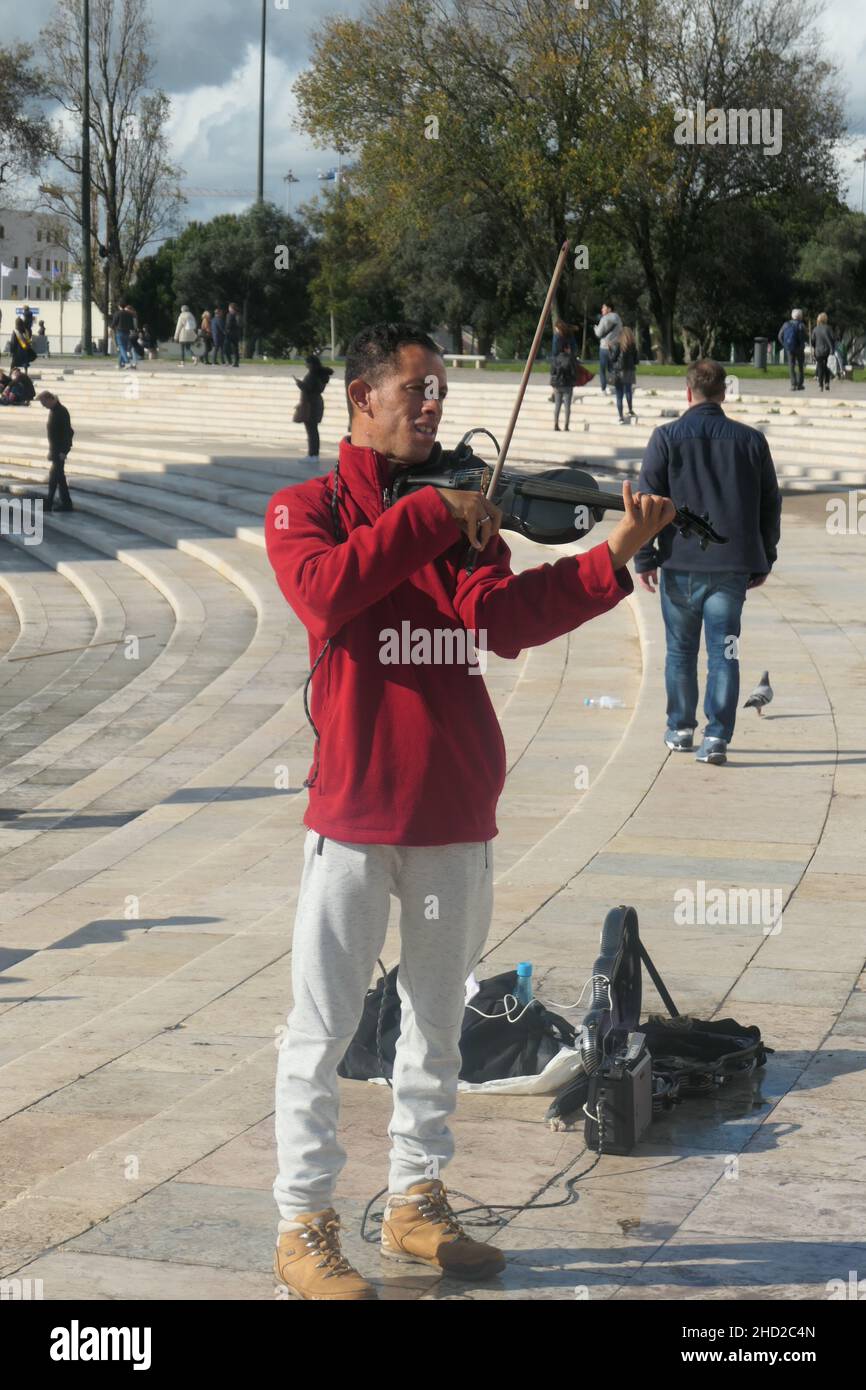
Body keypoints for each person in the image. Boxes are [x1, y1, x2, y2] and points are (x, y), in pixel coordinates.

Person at [263, 320, 676, 1301]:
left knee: (435, 1019)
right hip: (355, 811)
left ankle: (414, 1202)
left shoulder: (460, 517)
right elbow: (328, 594)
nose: (434, 405)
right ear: (362, 397)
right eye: (416, 388)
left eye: (442, 390)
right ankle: (302, 1222)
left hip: (453, 805)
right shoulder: (303, 510)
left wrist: (613, 554)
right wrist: (435, 518)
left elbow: (503, 626)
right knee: (319, 1028)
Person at [633, 359, 782, 766]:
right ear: (724, 392)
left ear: (688, 392)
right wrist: (765, 557)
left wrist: (644, 556)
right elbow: (770, 503)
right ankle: (716, 737)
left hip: (679, 566)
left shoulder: (665, 437)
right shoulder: (752, 441)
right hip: (731, 567)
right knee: (725, 652)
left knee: (680, 652)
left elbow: (647, 503)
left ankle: (681, 728)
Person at [38, 390, 75, 512]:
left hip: (60, 452)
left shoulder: (62, 411)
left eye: (44, 403)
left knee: (55, 478)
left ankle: (50, 503)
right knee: (59, 478)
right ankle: (65, 503)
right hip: (56, 451)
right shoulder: (53, 411)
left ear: (50, 399)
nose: (44, 406)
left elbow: (68, 433)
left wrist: (64, 451)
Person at [293, 354, 333, 460]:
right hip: (315, 403)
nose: (306, 365)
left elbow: (309, 388)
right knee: (313, 430)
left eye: (307, 362)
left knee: (312, 431)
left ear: (311, 364)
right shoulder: (320, 375)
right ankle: (313, 454)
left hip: (311, 404)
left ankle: (313, 455)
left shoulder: (313, 375)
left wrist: (299, 383)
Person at [607, 326, 638, 422]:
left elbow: (612, 358)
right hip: (629, 371)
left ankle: (620, 416)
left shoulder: (617, 345)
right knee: (628, 391)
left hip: (618, 372)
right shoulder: (633, 346)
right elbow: (636, 361)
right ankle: (630, 410)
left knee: (619, 395)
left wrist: (609, 349)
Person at [593, 301, 622, 393]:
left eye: (603, 307)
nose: (602, 309)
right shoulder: (618, 318)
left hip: (605, 347)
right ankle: (617, 386)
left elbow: (598, 333)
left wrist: (595, 328)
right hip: (615, 346)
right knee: (613, 368)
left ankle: (603, 389)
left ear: (609, 309)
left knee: (602, 369)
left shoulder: (604, 319)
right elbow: (620, 331)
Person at [549, 339, 578, 430]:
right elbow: (574, 373)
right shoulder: (570, 359)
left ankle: (556, 424)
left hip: (557, 385)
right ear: (566, 349)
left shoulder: (556, 359)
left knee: (557, 405)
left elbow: (552, 372)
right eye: (568, 348)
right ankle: (566, 425)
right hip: (568, 384)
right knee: (567, 406)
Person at [777, 308, 806, 391]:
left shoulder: (786, 324)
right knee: (800, 366)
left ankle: (793, 385)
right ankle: (800, 384)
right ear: (800, 316)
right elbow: (806, 337)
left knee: (791, 366)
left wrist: (785, 345)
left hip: (789, 348)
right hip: (799, 349)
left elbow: (779, 336)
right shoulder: (802, 325)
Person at [811, 313, 835, 392]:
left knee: (821, 367)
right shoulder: (829, 328)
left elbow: (813, 341)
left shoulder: (815, 329)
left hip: (818, 351)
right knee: (825, 366)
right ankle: (827, 382)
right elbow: (833, 339)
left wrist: (814, 348)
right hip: (827, 351)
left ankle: (820, 385)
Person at [111, 303, 137, 370]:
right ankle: (120, 364)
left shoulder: (117, 313)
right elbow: (132, 326)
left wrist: (112, 328)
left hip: (119, 332)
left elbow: (114, 323)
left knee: (121, 348)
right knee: (124, 349)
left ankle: (127, 362)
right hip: (127, 333)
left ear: (119, 306)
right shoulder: (129, 314)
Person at [224, 302, 241, 367]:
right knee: (235, 348)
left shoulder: (229, 315)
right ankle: (236, 362)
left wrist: (225, 330)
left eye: (229, 308)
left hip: (229, 333)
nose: (228, 309)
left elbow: (228, 324)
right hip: (236, 333)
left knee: (226, 348)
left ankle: (229, 361)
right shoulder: (238, 314)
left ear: (231, 308)